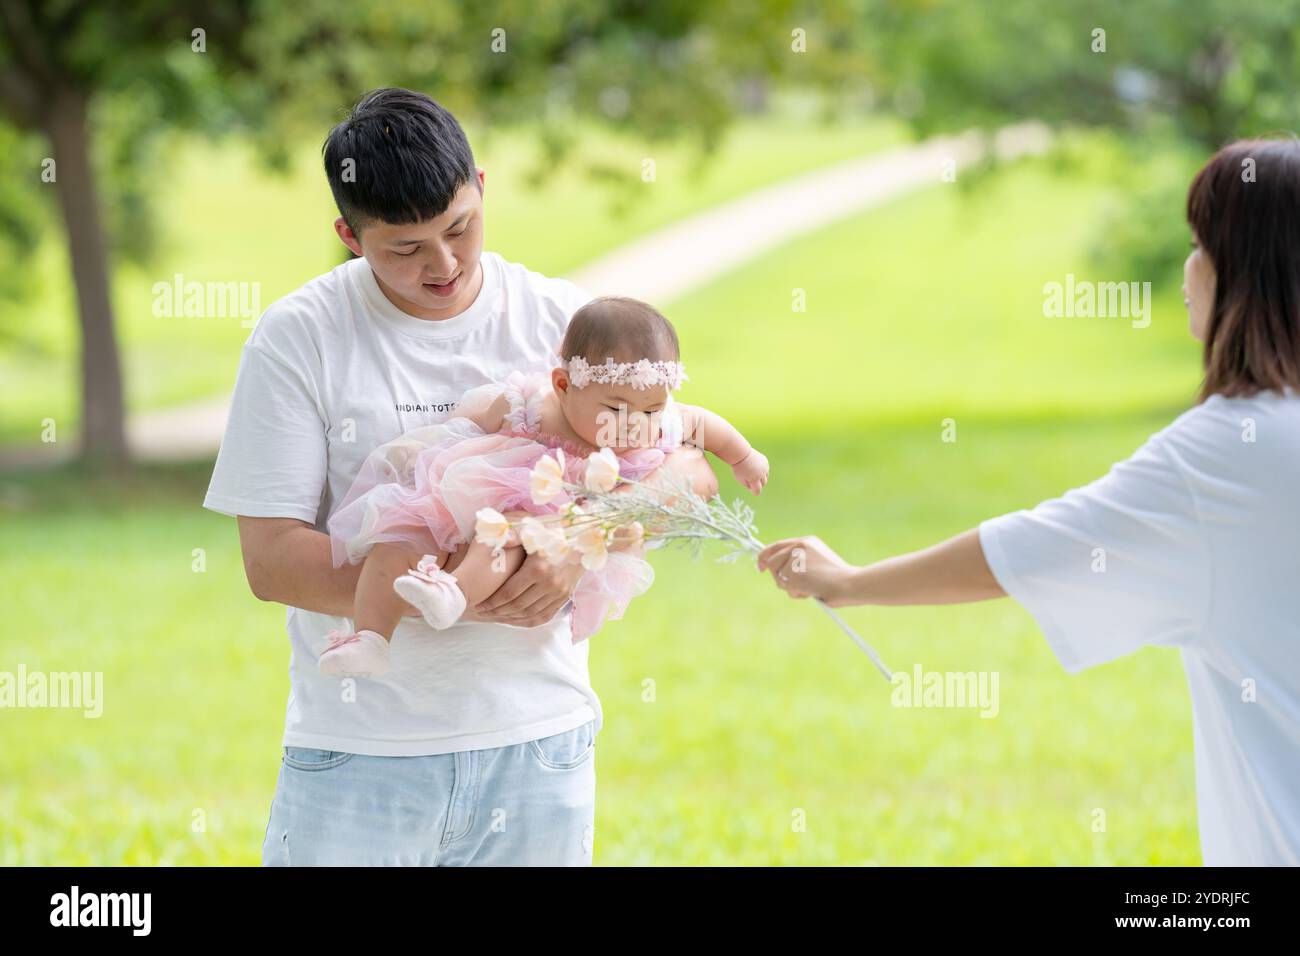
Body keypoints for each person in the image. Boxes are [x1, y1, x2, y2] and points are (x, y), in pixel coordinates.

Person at [203, 88, 719, 866]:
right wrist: (461, 594)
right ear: (349, 236)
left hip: (537, 744)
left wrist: (580, 539)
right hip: (360, 754)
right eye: (404, 248)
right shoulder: (298, 337)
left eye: (459, 227)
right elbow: (271, 562)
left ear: (480, 183)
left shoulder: (562, 319)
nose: (442, 264)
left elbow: (687, 465)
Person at [757, 137, 1300, 866]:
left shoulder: (1224, 455)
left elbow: (1029, 549)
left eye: (1201, 244)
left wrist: (850, 583)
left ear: (1245, 271)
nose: (1187, 267)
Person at [320, 296, 769, 676]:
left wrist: (745, 458)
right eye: (616, 407)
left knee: (500, 541)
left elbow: (707, 429)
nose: (635, 424)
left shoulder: (661, 421)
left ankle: (454, 592)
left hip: (545, 521)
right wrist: (422, 452)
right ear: (563, 385)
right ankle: (370, 636)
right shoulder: (532, 403)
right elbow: (468, 424)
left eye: (652, 409)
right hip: (490, 487)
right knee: (399, 538)